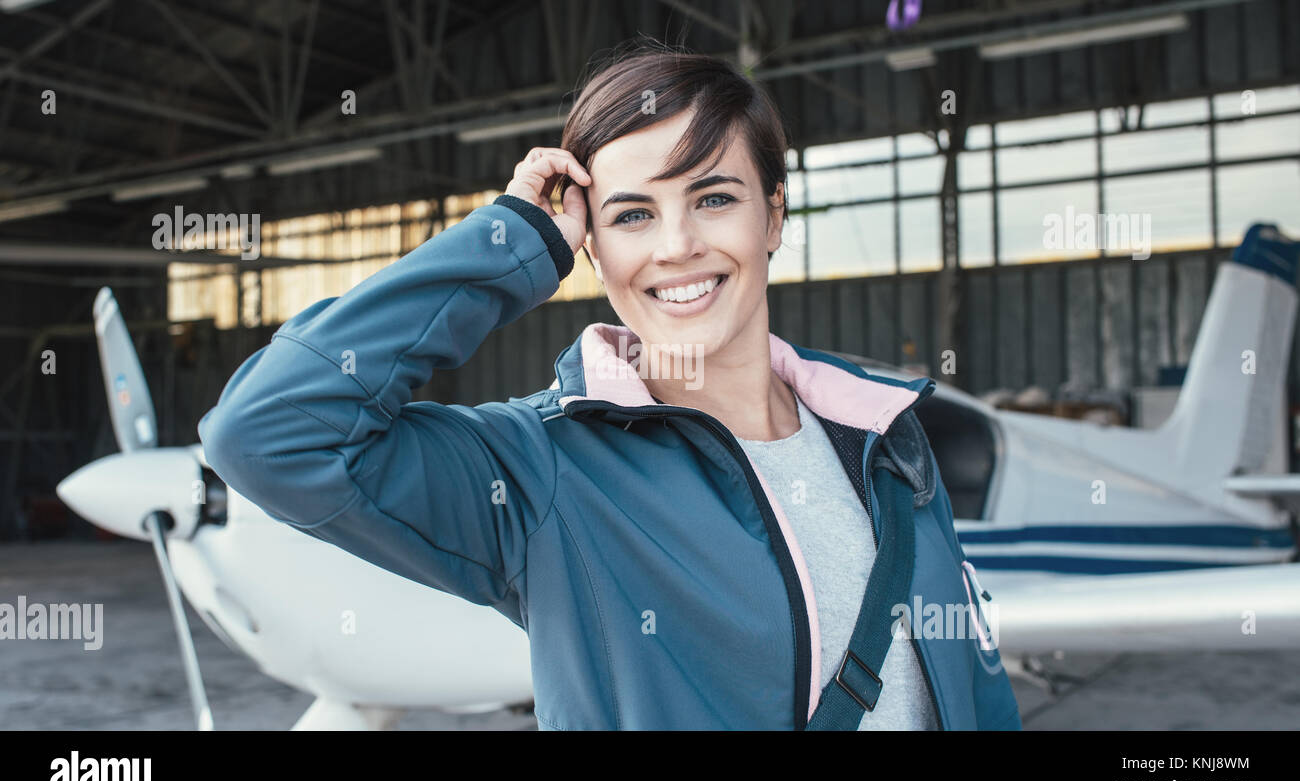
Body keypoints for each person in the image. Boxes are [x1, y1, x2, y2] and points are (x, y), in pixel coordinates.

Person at [198, 39, 1021, 731]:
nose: (677, 245)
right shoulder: (543, 472)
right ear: (588, 245)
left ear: (773, 216)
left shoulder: (889, 438)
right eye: (631, 215)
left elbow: (976, 692)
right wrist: (509, 242)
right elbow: (265, 430)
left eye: (713, 197)